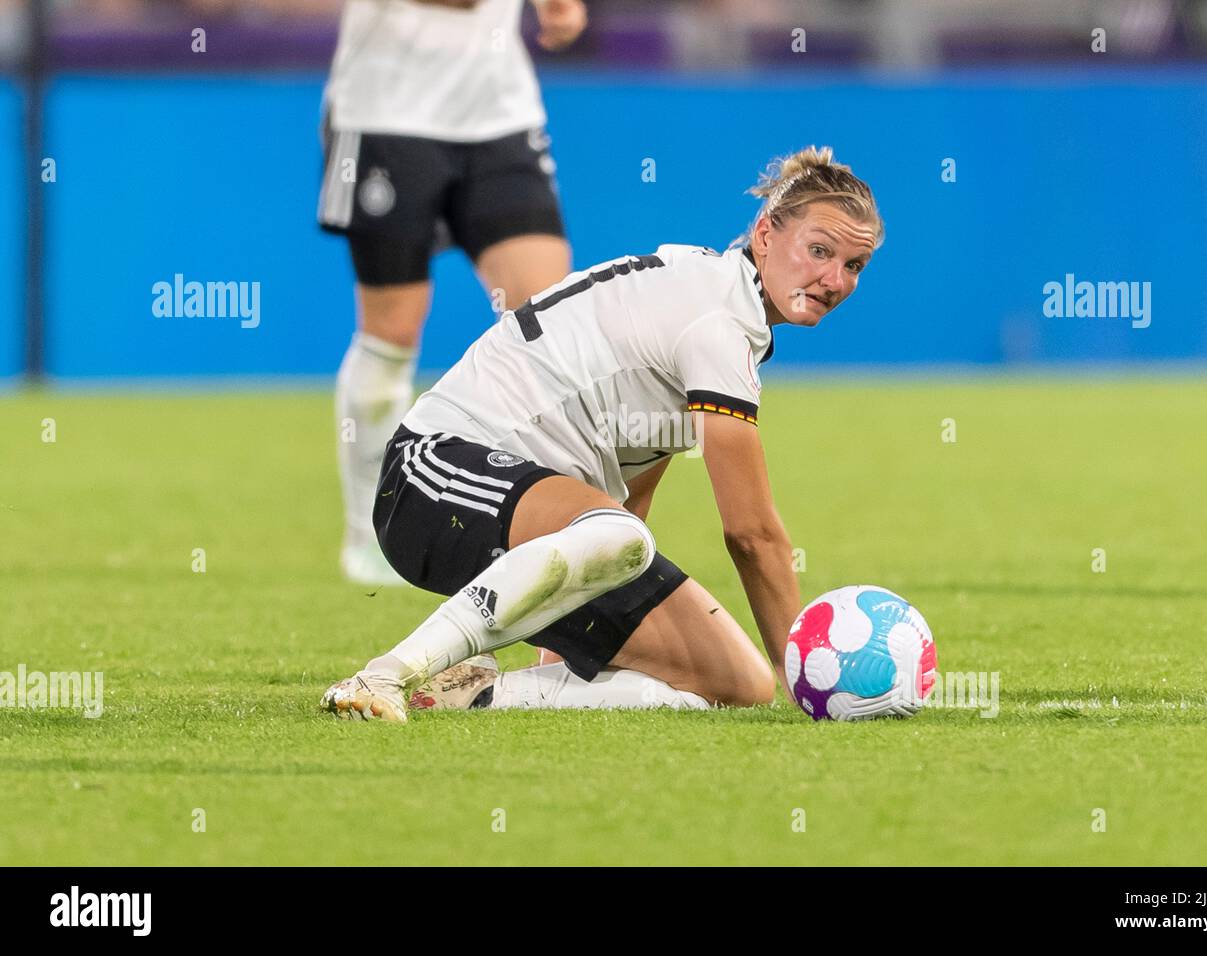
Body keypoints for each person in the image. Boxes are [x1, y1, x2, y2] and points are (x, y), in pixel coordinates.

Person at [320, 146, 884, 719]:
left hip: (543, 516)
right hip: (430, 477)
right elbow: (751, 535)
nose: (833, 279)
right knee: (623, 540)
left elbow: (628, 495)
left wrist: (560, 641)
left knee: (737, 681)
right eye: (819, 250)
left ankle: (483, 695)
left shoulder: (716, 303)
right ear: (765, 234)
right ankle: (385, 677)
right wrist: (810, 677)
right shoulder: (719, 326)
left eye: (853, 266)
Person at [318, 0, 588, 585]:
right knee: (391, 332)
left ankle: (536, 525)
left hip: (499, 118)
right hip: (386, 114)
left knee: (546, 325)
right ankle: (370, 533)